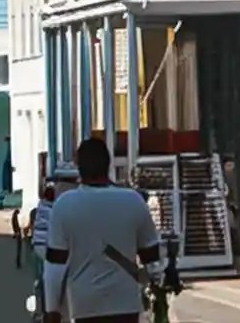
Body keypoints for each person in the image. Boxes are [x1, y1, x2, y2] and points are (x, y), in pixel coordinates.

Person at [44, 138, 161, 323]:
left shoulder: (64, 205)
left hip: (85, 306)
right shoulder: (133, 201)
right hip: (126, 306)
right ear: (108, 164)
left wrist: (52, 311)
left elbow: (54, 268)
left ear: (78, 167)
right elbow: (153, 259)